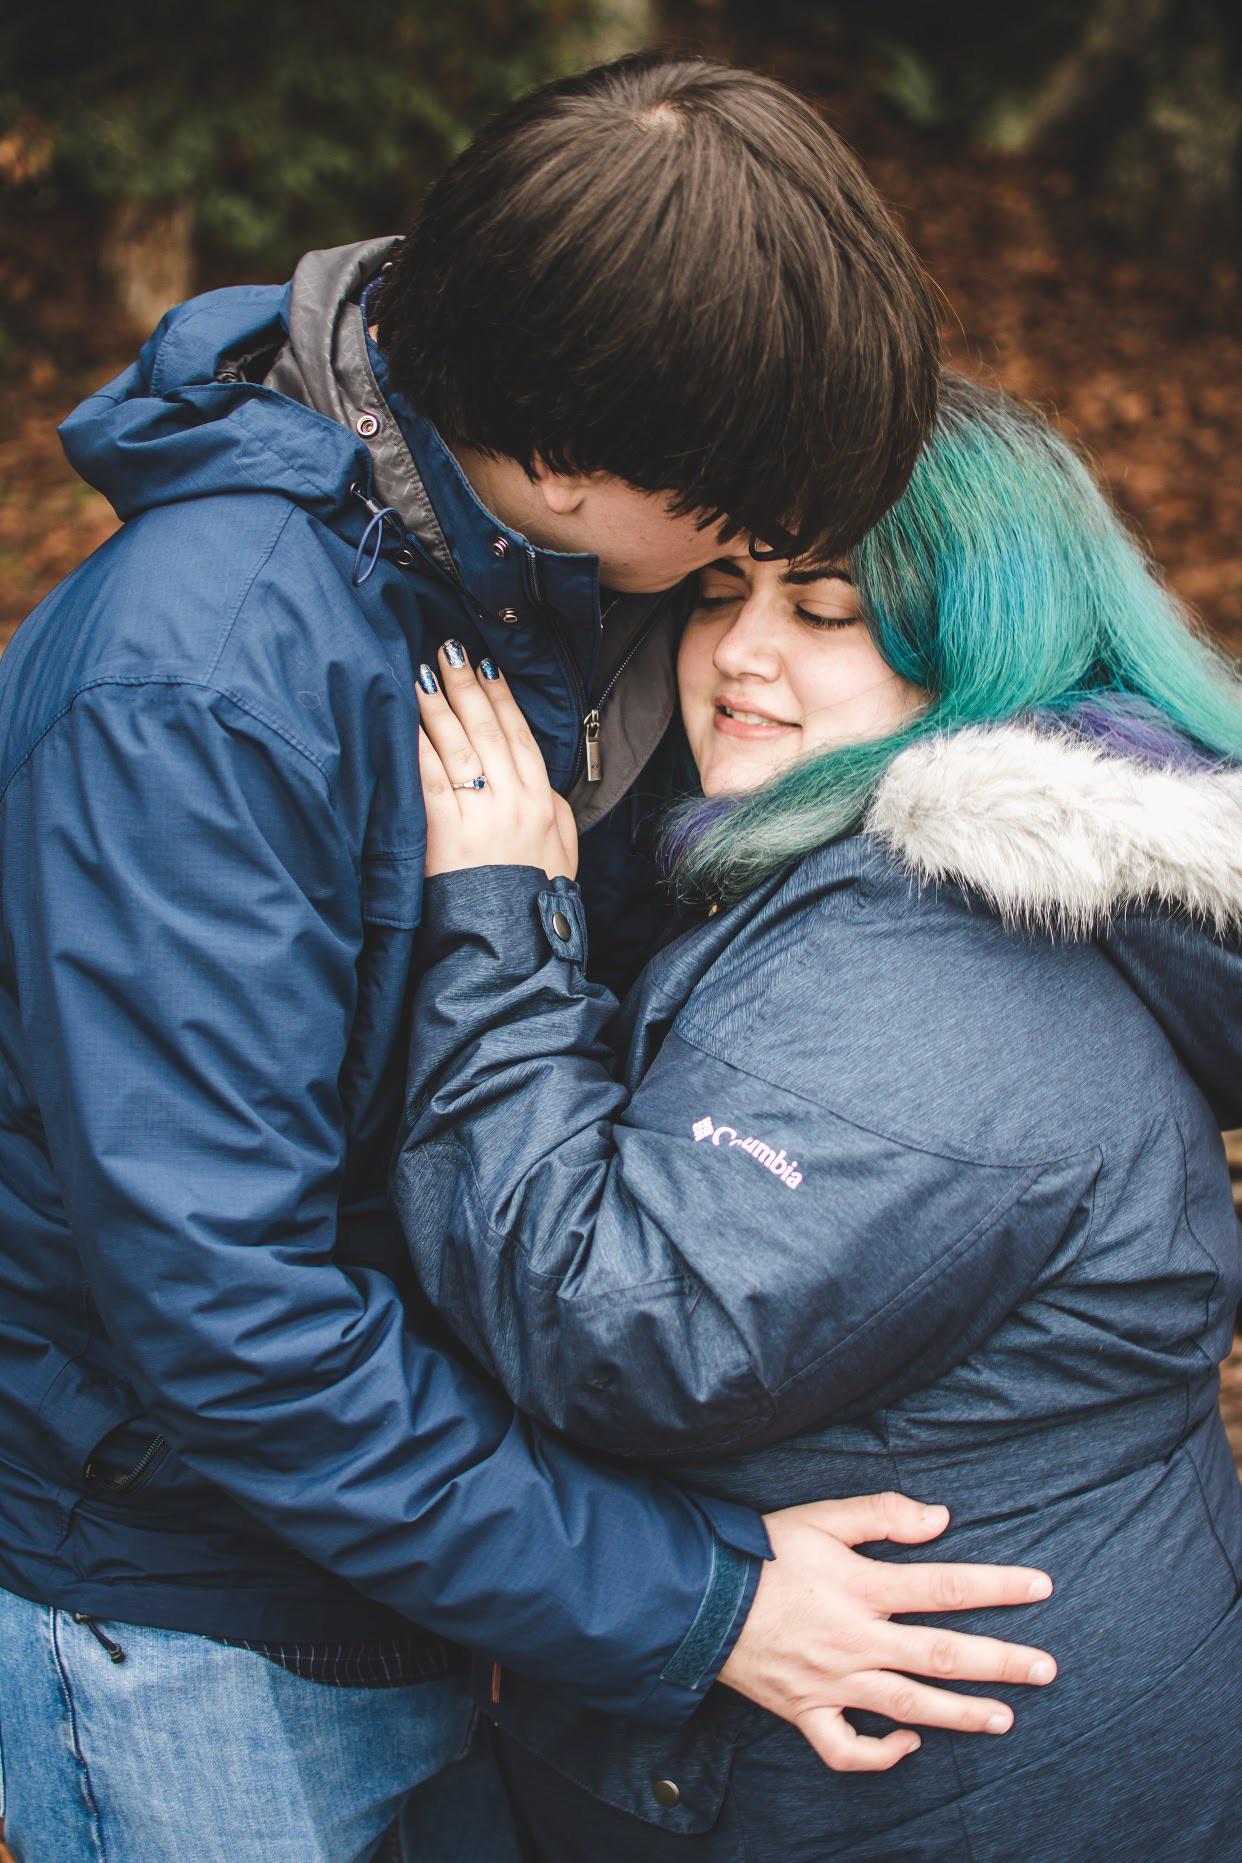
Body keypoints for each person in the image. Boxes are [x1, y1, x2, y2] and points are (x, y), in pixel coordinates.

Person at [0, 59, 1059, 1863]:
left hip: (443, 1553)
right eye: (733, 514)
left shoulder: (524, 571)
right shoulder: (207, 685)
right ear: (565, 460)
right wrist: (695, 1603)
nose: (746, 561)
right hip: (195, 1629)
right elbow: (228, 1317)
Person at [400, 371, 1242, 1861]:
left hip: (926, 1789)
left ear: (982, 647)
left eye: (828, 608)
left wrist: (497, 924)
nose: (739, 649)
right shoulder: (886, 886)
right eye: (725, 584)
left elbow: (618, 1328)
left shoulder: (943, 958)